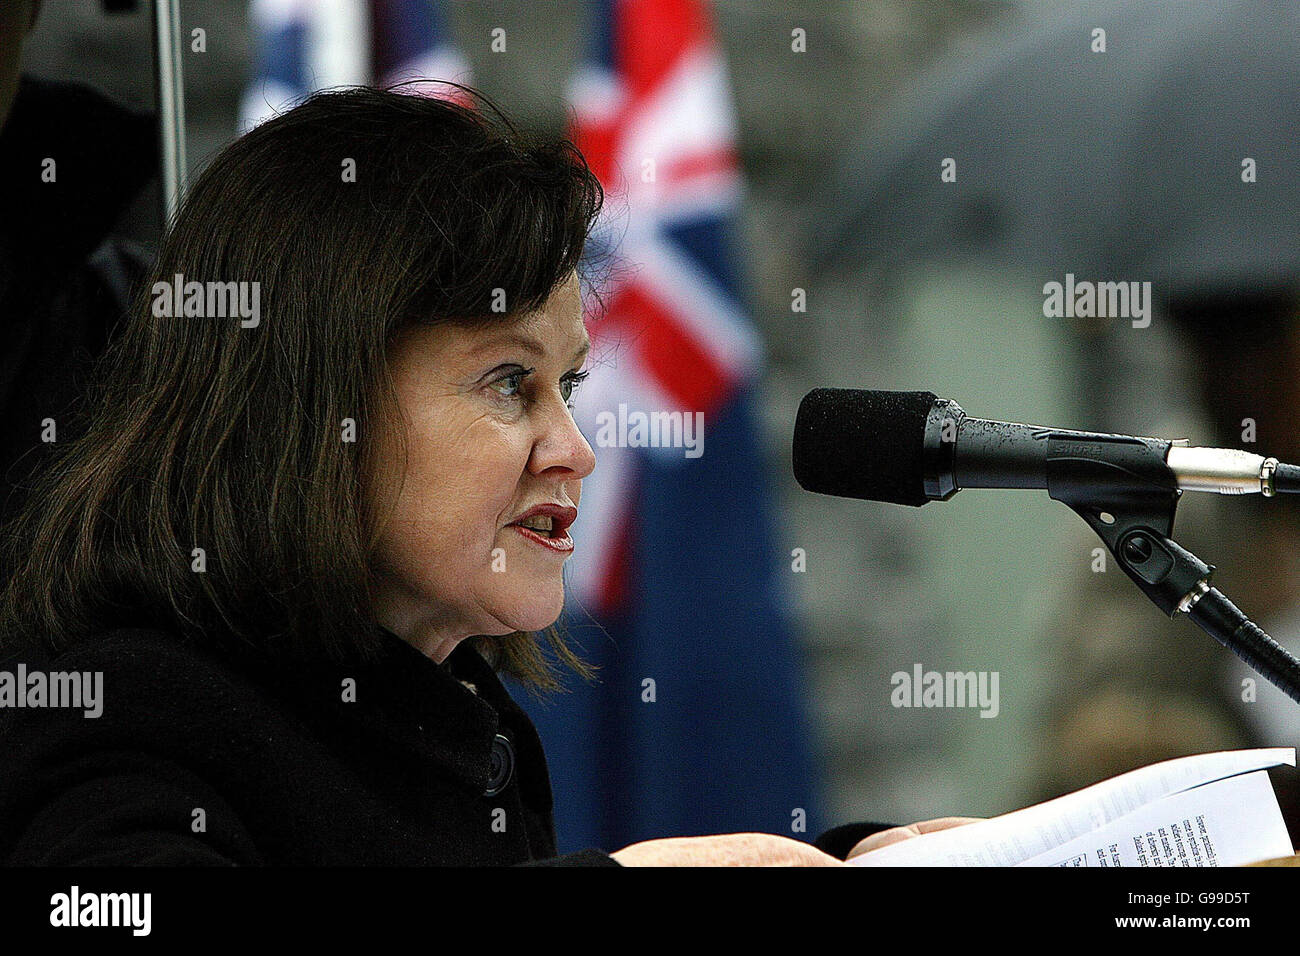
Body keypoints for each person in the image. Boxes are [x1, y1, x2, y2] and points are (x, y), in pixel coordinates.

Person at [0, 84, 967, 865]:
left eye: (570, 385)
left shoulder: (451, 711)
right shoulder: (120, 716)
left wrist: (853, 866)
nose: (576, 450)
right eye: (511, 383)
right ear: (310, 404)